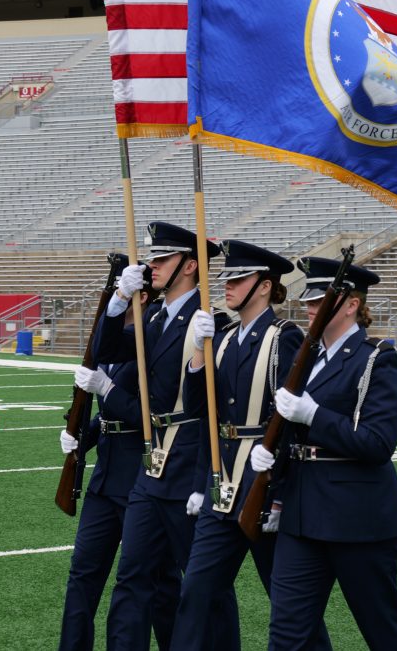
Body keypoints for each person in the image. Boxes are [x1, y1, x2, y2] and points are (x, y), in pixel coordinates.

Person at [170, 241, 332, 651]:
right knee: (196, 593)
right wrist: (196, 358)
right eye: (228, 277)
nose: (228, 286)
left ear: (264, 286)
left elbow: (292, 422)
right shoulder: (221, 337)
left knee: (290, 605)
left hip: (263, 485)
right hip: (222, 485)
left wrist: (277, 494)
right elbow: (198, 410)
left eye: (239, 279)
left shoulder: (284, 338)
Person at [253, 256, 397, 651]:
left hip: (358, 516)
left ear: (351, 304)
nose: (309, 308)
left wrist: (314, 414)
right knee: (288, 634)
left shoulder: (377, 358)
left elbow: (377, 443)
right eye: (307, 301)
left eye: (319, 300)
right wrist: (274, 477)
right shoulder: (305, 359)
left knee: (383, 632)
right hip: (302, 513)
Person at [93, 222, 237, 651]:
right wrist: (119, 300)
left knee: (204, 583)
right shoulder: (154, 314)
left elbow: (209, 408)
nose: (151, 266)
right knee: (132, 577)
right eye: (151, 258)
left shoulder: (209, 321)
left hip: (189, 463)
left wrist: (201, 482)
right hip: (151, 465)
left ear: (190, 266)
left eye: (162, 259)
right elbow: (104, 349)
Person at [59, 264, 181, 650]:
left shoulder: (153, 341)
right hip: (105, 476)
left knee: (155, 580)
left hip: (139, 474)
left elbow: (151, 415)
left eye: (124, 292)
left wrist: (107, 388)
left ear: (142, 296)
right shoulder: (111, 340)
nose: (119, 296)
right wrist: (81, 436)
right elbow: (107, 413)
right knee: (83, 574)